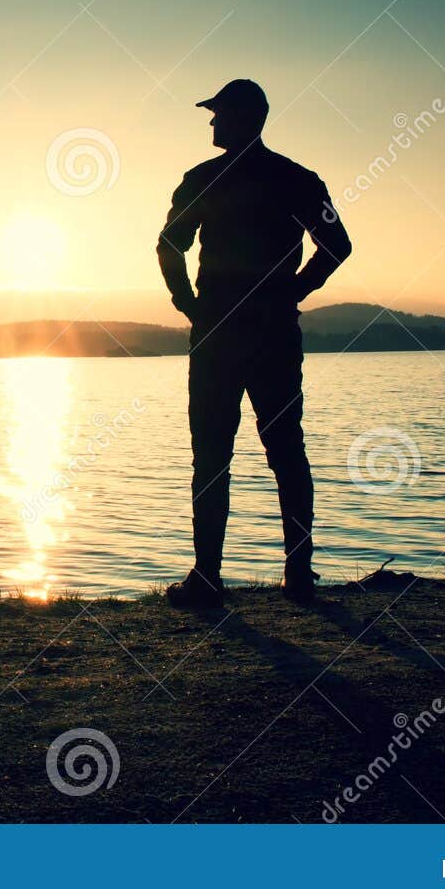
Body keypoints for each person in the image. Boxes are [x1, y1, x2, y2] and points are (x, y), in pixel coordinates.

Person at [156, 79, 351, 608]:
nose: (212, 123)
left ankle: (210, 578)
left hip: (221, 335)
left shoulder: (204, 179)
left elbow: (168, 246)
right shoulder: (298, 180)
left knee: (216, 455)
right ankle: (296, 576)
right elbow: (337, 246)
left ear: (242, 119)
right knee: (285, 450)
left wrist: (188, 302)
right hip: (267, 334)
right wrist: (292, 291)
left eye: (218, 114)